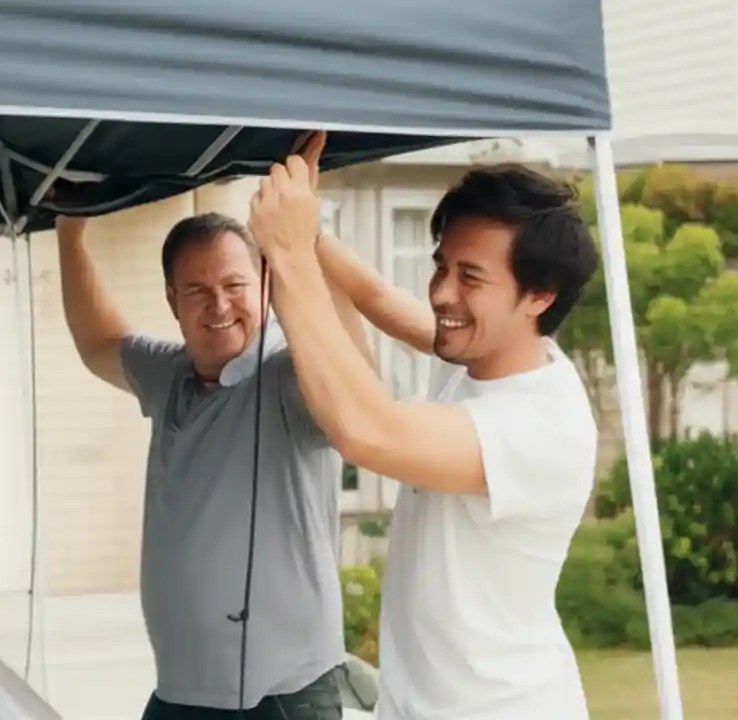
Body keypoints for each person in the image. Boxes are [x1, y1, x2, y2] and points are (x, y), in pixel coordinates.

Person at [248, 132, 601, 720]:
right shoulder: (486, 355)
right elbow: (380, 298)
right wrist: (309, 237)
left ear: (539, 295)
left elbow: (367, 430)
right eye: (441, 266)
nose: (442, 293)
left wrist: (287, 255)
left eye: (471, 277)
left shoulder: (541, 424)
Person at [54, 166, 372, 719]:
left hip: (281, 698)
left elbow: (358, 389)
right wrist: (70, 235)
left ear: (265, 289)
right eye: (198, 292)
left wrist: (306, 243)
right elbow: (98, 341)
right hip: (180, 693)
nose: (219, 306)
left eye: (234, 286)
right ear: (173, 301)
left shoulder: (288, 378)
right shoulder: (167, 372)